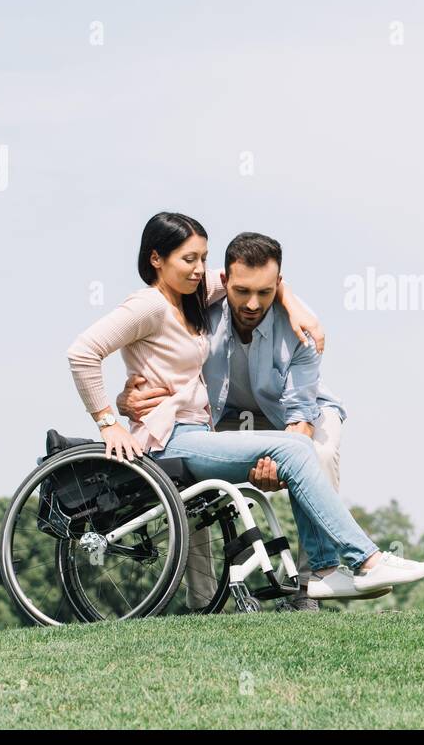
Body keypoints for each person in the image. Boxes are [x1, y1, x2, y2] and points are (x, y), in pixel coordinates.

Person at [66, 211, 424, 600]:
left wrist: (291, 300)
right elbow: (83, 352)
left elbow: (252, 283)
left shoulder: (193, 297)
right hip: (172, 437)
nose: (198, 269)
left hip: (206, 429)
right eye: (188, 259)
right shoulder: (150, 306)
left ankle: (327, 571)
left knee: (301, 446)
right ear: (156, 259)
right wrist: (109, 419)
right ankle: (366, 561)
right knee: (294, 448)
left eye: (202, 259)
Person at [118, 231, 349, 611]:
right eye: (242, 291)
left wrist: (281, 459)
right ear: (224, 282)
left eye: (266, 292)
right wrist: (126, 400)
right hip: (222, 420)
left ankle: (311, 589)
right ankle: (204, 603)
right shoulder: (196, 314)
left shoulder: (299, 328)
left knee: (318, 456)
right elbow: (160, 366)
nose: (253, 303)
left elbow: (300, 416)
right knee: (185, 475)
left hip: (296, 417)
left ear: (279, 284)